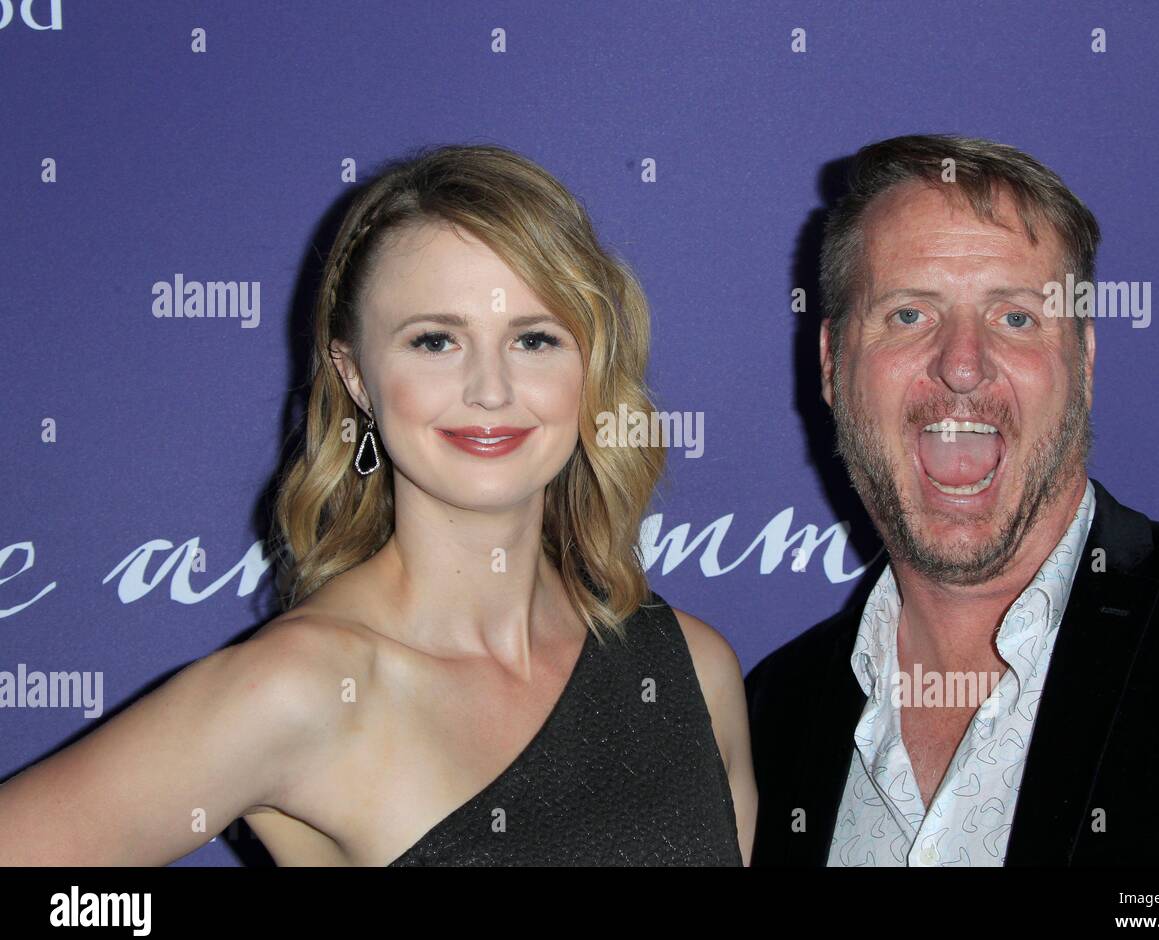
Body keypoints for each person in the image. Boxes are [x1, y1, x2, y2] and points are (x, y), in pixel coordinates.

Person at [0, 144, 755, 866]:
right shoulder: (301, 688)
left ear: (591, 366)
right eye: (434, 341)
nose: (490, 390)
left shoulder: (692, 669)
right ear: (355, 376)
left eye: (534, 340)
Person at [745, 133, 1159, 867]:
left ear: (1085, 362)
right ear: (830, 364)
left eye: (1016, 317)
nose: (963, 365)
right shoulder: (771, 717)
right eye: (909, 314)